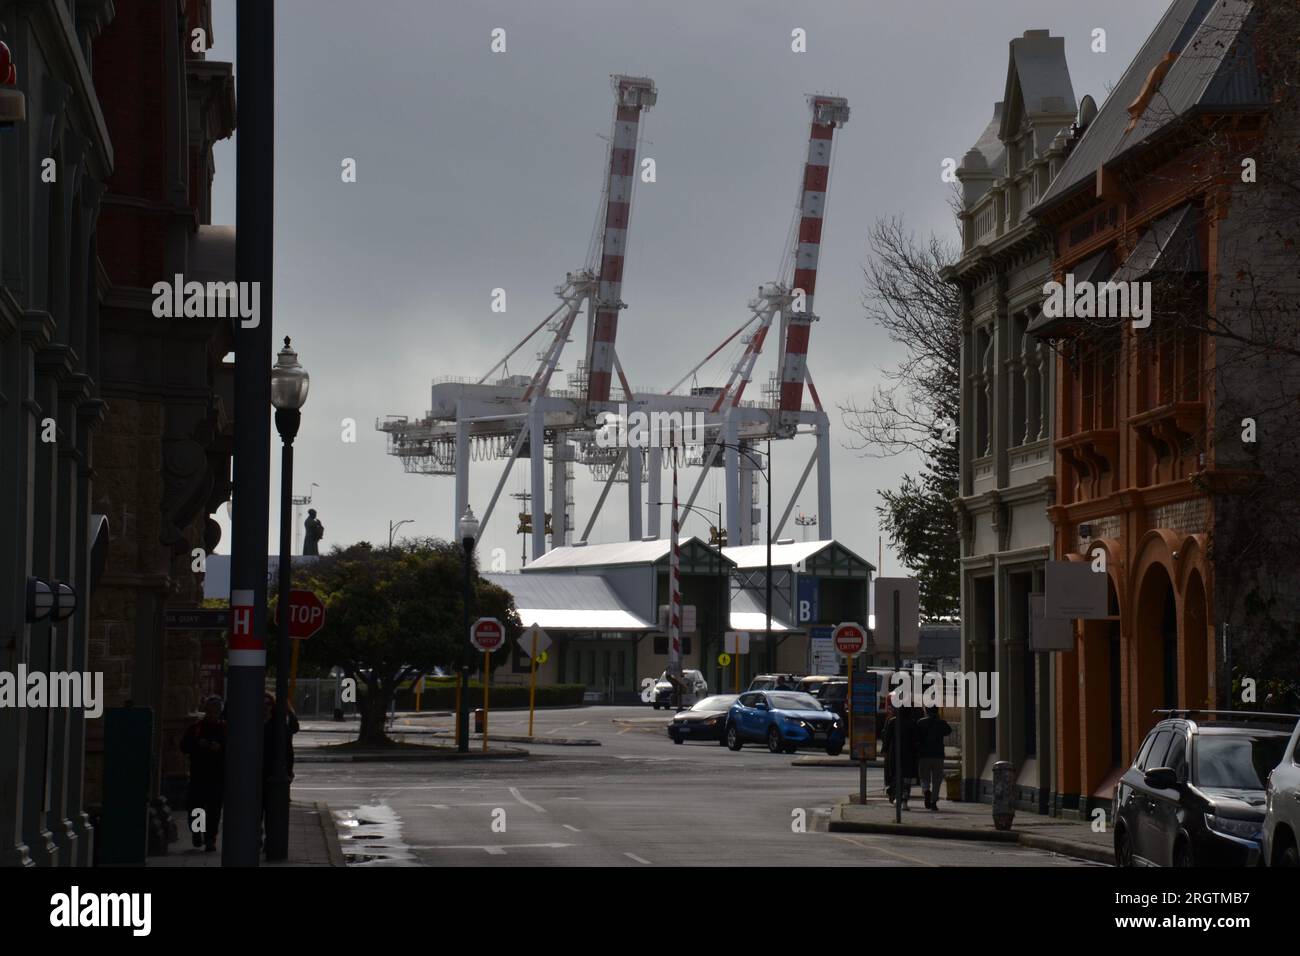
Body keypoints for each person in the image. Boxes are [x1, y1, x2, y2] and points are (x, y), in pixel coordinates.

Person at [180, 695, 227, 851]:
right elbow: (184, 747)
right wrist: (197, 744)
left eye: (216, 711)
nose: (213, 714)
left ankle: (210, 838)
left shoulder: (225, 729)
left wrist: (220, 748)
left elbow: (233, 750)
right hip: (198, 774)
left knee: (214, 809)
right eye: (210, 711)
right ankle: (197, 832)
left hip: (217, 775)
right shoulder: (196, 728)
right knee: (197, 807)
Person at [261, 692, 301, 850]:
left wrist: (288, 771)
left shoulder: (278, 725)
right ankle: (258, 836)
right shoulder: (252, 723)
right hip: (256, 774)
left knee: (272, 809)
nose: (265, 708)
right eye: (263, 705)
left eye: (268, 705)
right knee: (256, 808)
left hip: (272, 772)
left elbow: (289, 748)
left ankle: (270, 840)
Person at [916, 705, 952, 811]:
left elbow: (916, 737)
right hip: (938, 755)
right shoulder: (941, 723)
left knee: (924, 777)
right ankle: (933, 801)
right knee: (937, 779)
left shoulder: (920, 722)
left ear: (926, 711)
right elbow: (948, 731)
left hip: (924, 754)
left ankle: (926, 790)